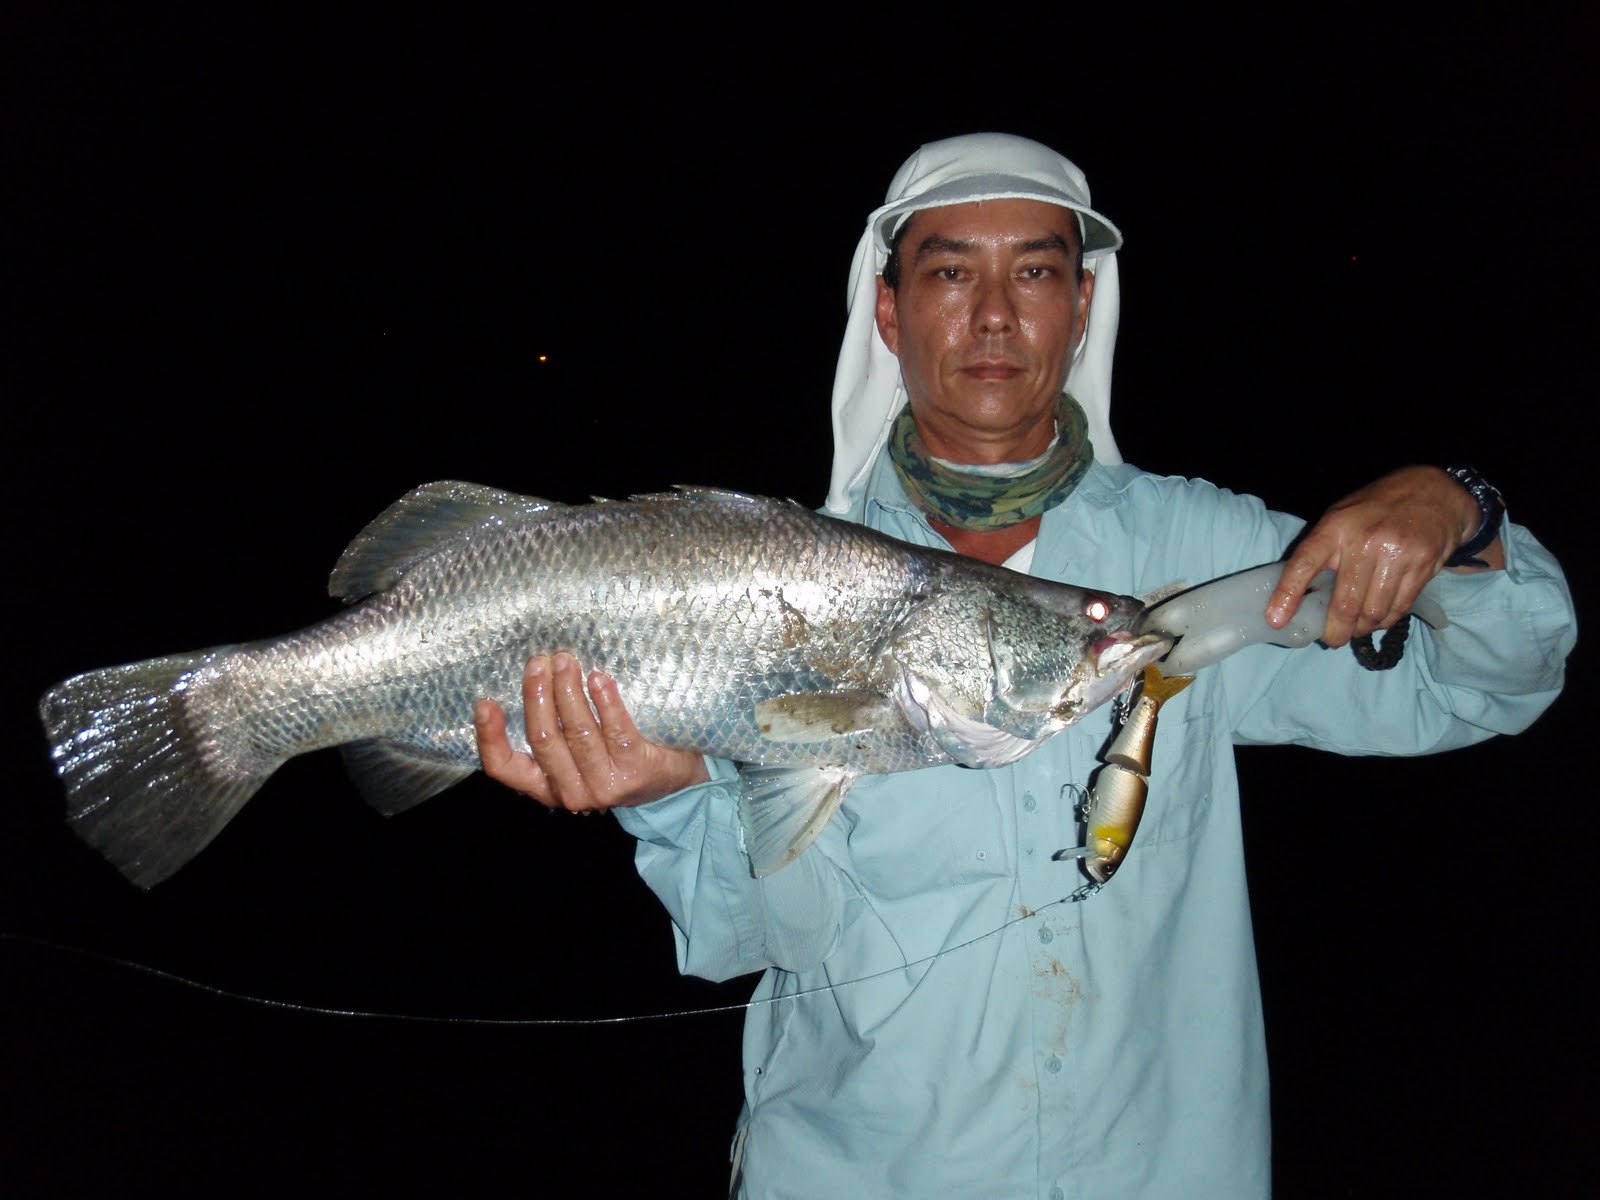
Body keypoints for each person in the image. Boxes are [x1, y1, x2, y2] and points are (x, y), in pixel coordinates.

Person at [472, 133, 1575, 1198]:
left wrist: (1461, 521)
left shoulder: (1195, 561)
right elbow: (758, 940)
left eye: (1035, 271)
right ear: (889, 313)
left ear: (1082, 304)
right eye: (950, 271)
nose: (994, 313)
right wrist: (667, 800)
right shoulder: (766, 590)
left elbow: (1475, 688)